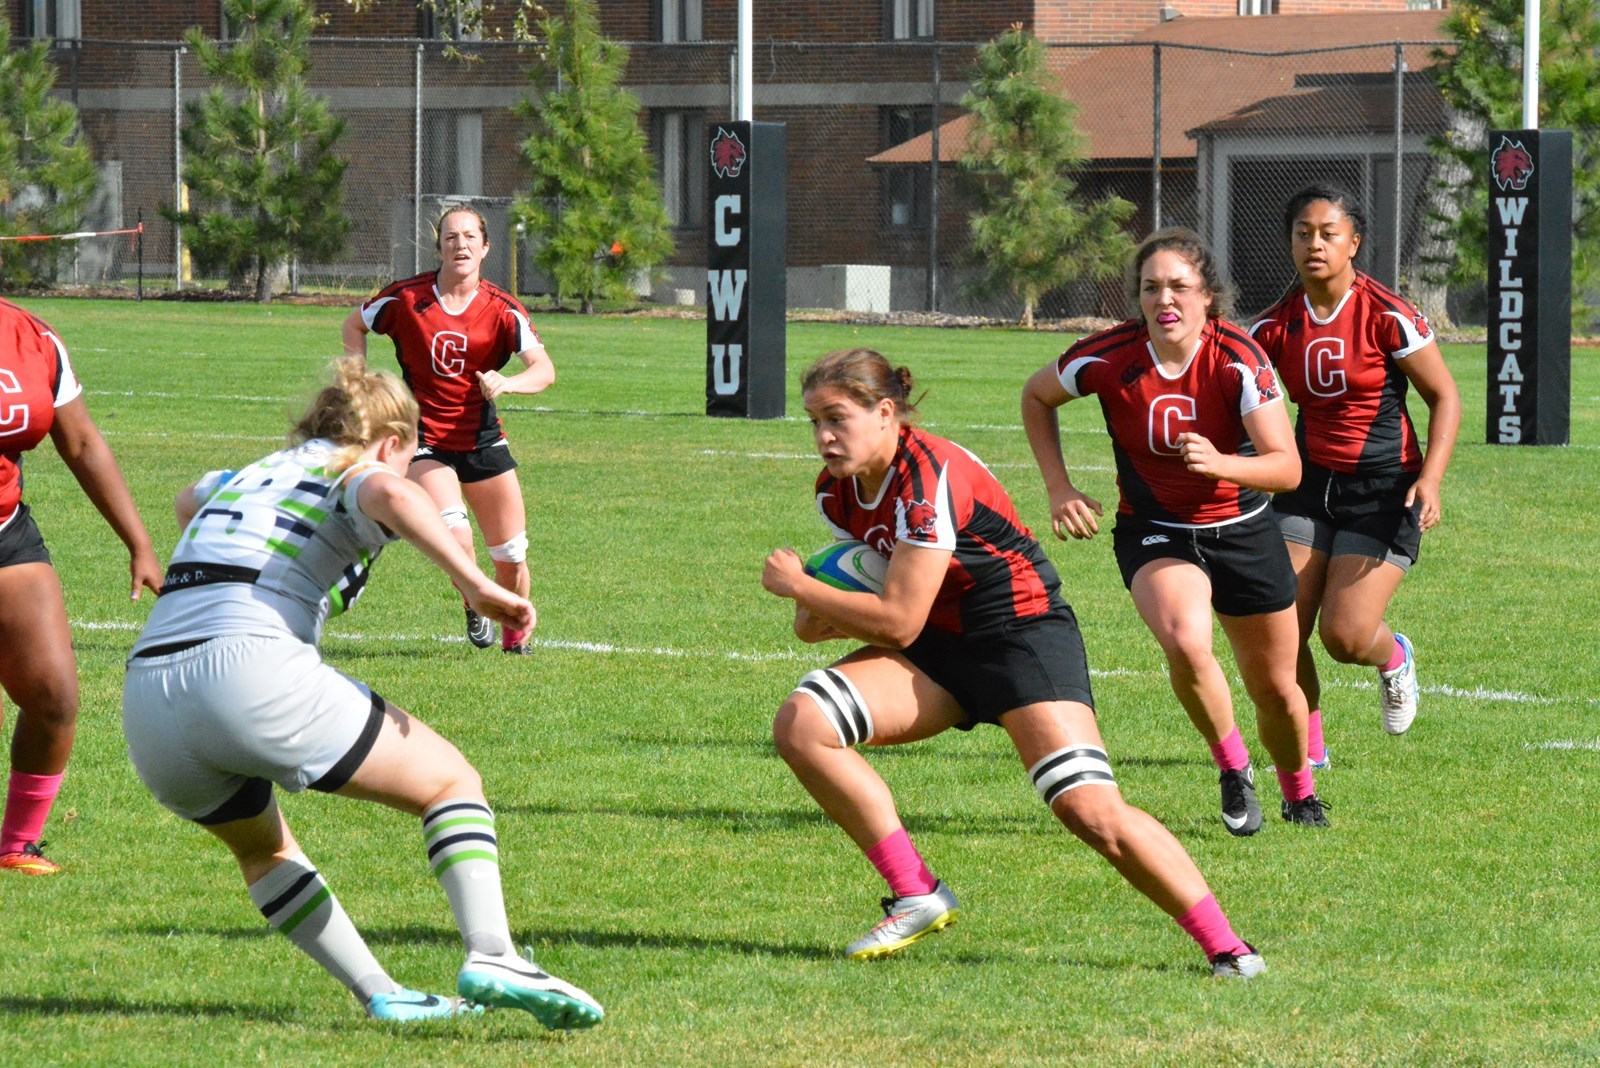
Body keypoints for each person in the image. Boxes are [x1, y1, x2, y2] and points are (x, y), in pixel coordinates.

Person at [121, 358, 602, 1026]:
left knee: (263, 849)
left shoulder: (250, 475)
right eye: (405, 457)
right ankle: (493, 951)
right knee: (451, 783)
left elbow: (189, 499)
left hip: (149, 699)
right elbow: (393, 496)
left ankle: (382, 994)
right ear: (389, 442)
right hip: (249, 665)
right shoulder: (359, 467)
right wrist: (478, 585)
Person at [762, 347, 1265, 979]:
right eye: (814, 422)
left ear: (885, 412)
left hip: (1019, 636)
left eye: (836, 418)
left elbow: (896, 622)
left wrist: (802, 586)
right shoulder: (836, 493)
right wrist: (816, 597)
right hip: (938, 647)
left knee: (1090, 812)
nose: (824, 437)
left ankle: (1228, 948)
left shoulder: (928, 481)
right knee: (804, 724)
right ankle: (916, 892)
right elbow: (822, 626)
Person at [1021, 228, 1327, 835]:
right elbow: (1037, 396)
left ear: (1208, 296)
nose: (1165, 300)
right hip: (1155, 530)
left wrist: (1222, 464)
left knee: (1278, 692)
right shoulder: (1108, 355)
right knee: (1186, 640)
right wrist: (1059, 488)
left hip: (1242, 528)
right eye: (1150, 287)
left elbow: (1286, 467)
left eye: (1180, 287)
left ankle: (1298, 790)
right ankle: (1233, 770)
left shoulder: (1239, 357)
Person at [1250, 185, 1461, 748]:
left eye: (1327, 233)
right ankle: (1307, 749)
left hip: (1384, 491)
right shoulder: (1271, 327)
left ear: (1354, 242)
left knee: (1344, 636)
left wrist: (1431, 479)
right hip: (1307, 487)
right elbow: (1240, 398)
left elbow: (1444, 396)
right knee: (1281, 628)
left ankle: (1394, 657)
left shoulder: (1387, 314)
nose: (1314, 244)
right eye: (1302, 233)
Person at [342, 205, 553, 655]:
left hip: (481, 439)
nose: (461, 245)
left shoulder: (503, 309)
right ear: (439, 247)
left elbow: (544, 370)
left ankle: (514, 636)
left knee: (511, 555)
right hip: (425, 441)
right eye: (451, 237)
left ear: (485, 247)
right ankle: (476, 603)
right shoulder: (406, 299)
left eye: (470, 237)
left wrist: (508, 382)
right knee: (455, 533)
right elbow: (354, 325)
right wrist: (358, 384)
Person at [0, 297, 162, 876]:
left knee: (54, 696)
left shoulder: (31, 337)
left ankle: (17, 844)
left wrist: (138, 543)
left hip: (5, 529)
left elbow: (83, 442)